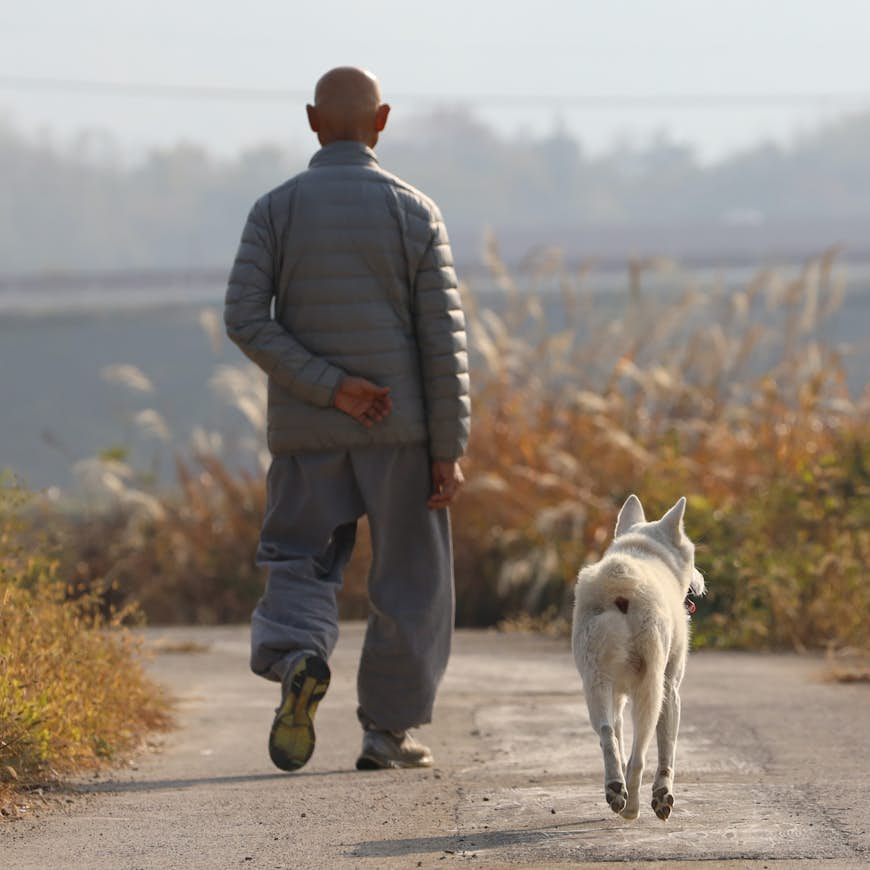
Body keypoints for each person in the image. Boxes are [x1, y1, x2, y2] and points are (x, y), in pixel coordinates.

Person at [224, 66, 470, 771]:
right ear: (382, 121)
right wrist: (448, 449)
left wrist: (330, 388)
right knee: (410, 582)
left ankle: (300, 653)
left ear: (311, 121)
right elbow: (443, 343)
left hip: (307, 435)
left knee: (300, 559)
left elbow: (243, 318)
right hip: (402, 432)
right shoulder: (415, 211)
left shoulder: (275, 210)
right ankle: (386, 734)